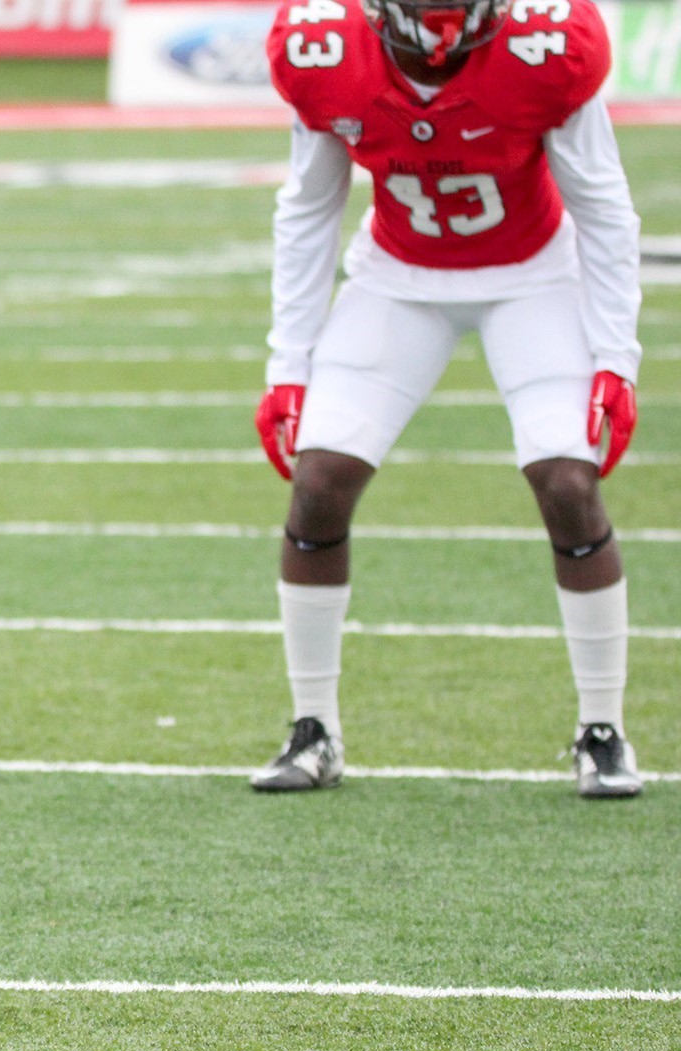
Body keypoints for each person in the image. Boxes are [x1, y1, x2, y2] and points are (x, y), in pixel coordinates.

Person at [252, 0, 643, 797]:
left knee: (567, 481)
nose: (447, 28)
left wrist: (616, 356)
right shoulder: (326, 51)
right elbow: (310, 206)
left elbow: (602, 206)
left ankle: (602, 728)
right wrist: (287, 363)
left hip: (534, 275)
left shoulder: (545, 47)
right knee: (320, 479)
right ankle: (313, 726)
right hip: (399, 275)